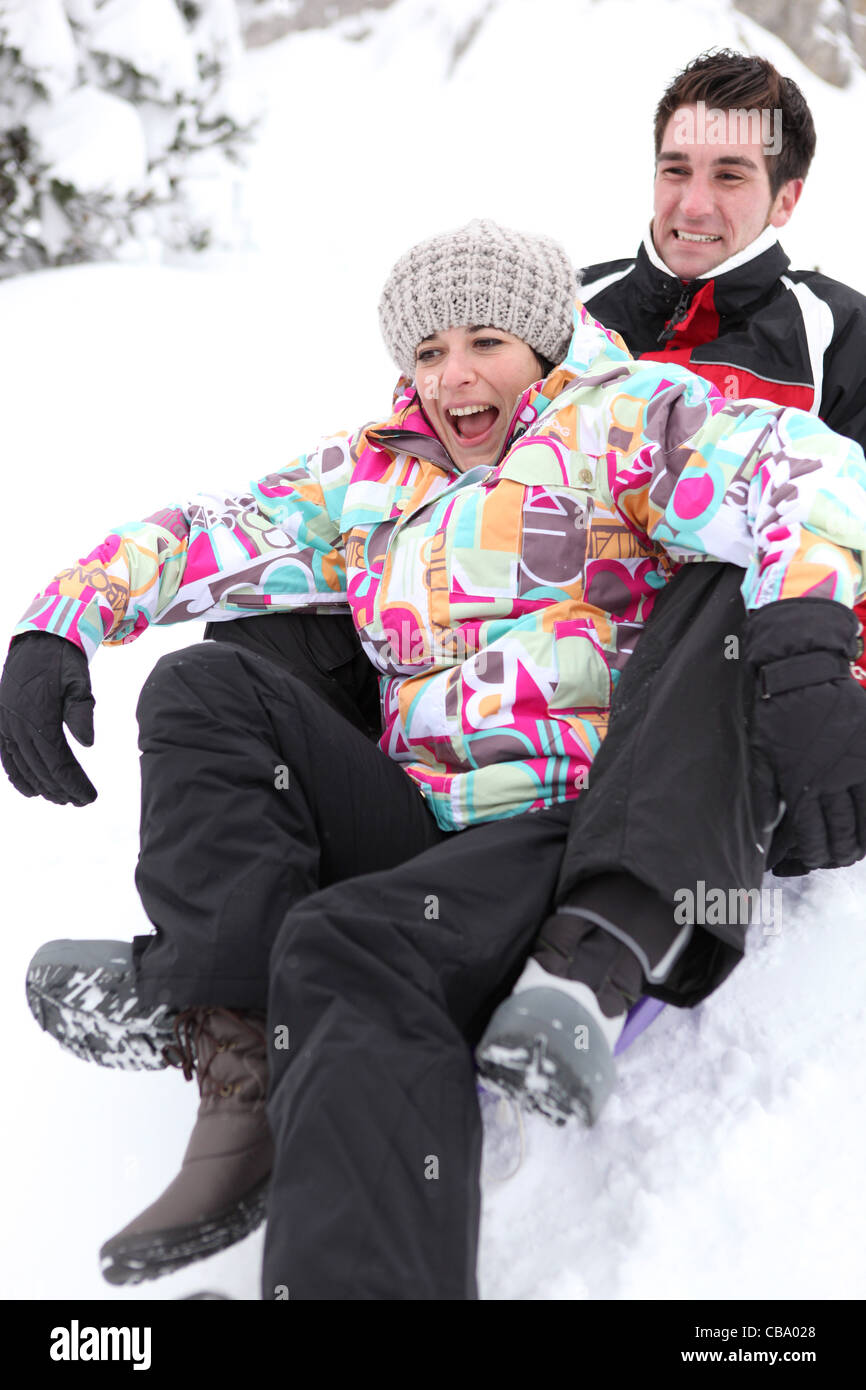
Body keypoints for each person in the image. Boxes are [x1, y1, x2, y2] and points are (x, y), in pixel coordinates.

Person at [5, 217, 866, 1300]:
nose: (453, 375)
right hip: (416, 824)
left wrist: (805, 639)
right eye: (425, 351)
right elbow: (214, 532)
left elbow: (804, 470)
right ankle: (226, 1008)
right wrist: (59, 622)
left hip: (570, 821)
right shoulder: (375, 478)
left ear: (544, 343)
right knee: (207, 683)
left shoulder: (626, 421)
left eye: (484, 341)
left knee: (352, 946)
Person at [576, 49, 866, 683]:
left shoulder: (843, 335)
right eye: (676, 170)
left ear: (785, 199)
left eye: (730, 176)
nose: (694, 205)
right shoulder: (567, 312)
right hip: (539, 684)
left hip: (730, 688)